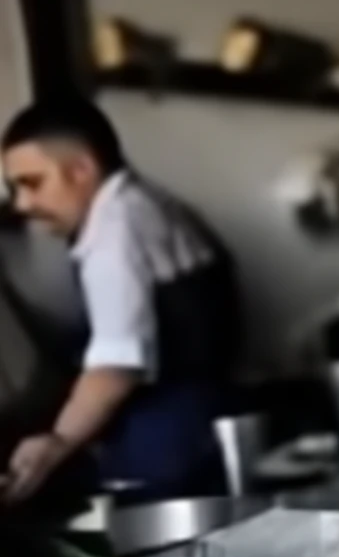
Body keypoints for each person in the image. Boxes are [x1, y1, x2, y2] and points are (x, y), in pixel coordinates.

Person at [0, 95, 240, 503]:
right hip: (197, 412)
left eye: (32, 183)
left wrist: (57, 442)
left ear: (80, 170)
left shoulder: (115, 229)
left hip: (173, 429)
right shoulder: (141, 202)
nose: (23, 204)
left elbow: (116, 366)